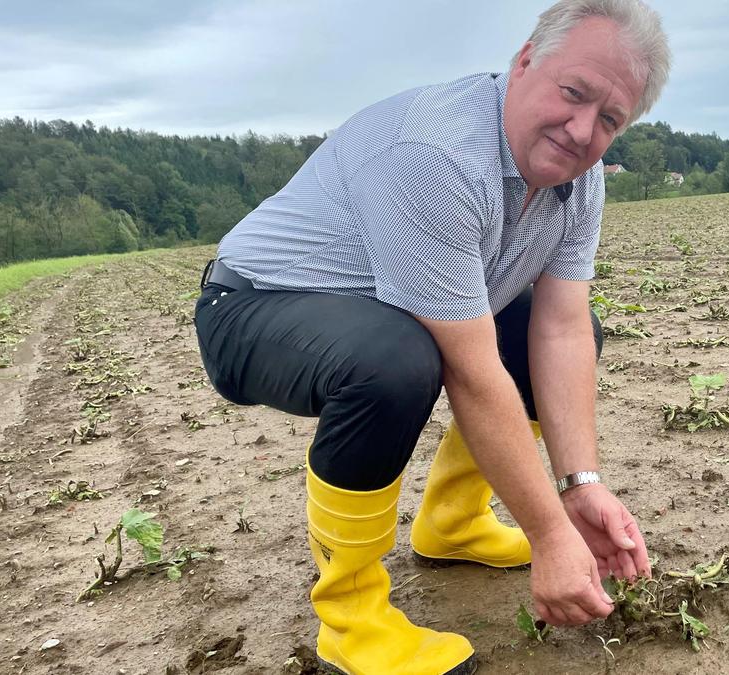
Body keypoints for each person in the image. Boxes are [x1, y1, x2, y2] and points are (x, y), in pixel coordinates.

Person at [192, 1, 671, 673]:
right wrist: (550, 534)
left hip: (383, 311)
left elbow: (561, 328)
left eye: (610, 119)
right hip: (253, 307)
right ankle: (352, 621)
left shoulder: (579, 179)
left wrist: (580, 487)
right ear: (525, 61)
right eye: (573, 92)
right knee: (396, 360)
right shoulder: (434, 154)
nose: (582, 129)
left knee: (555, 330)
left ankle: (454, 523)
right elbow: (470, 370)